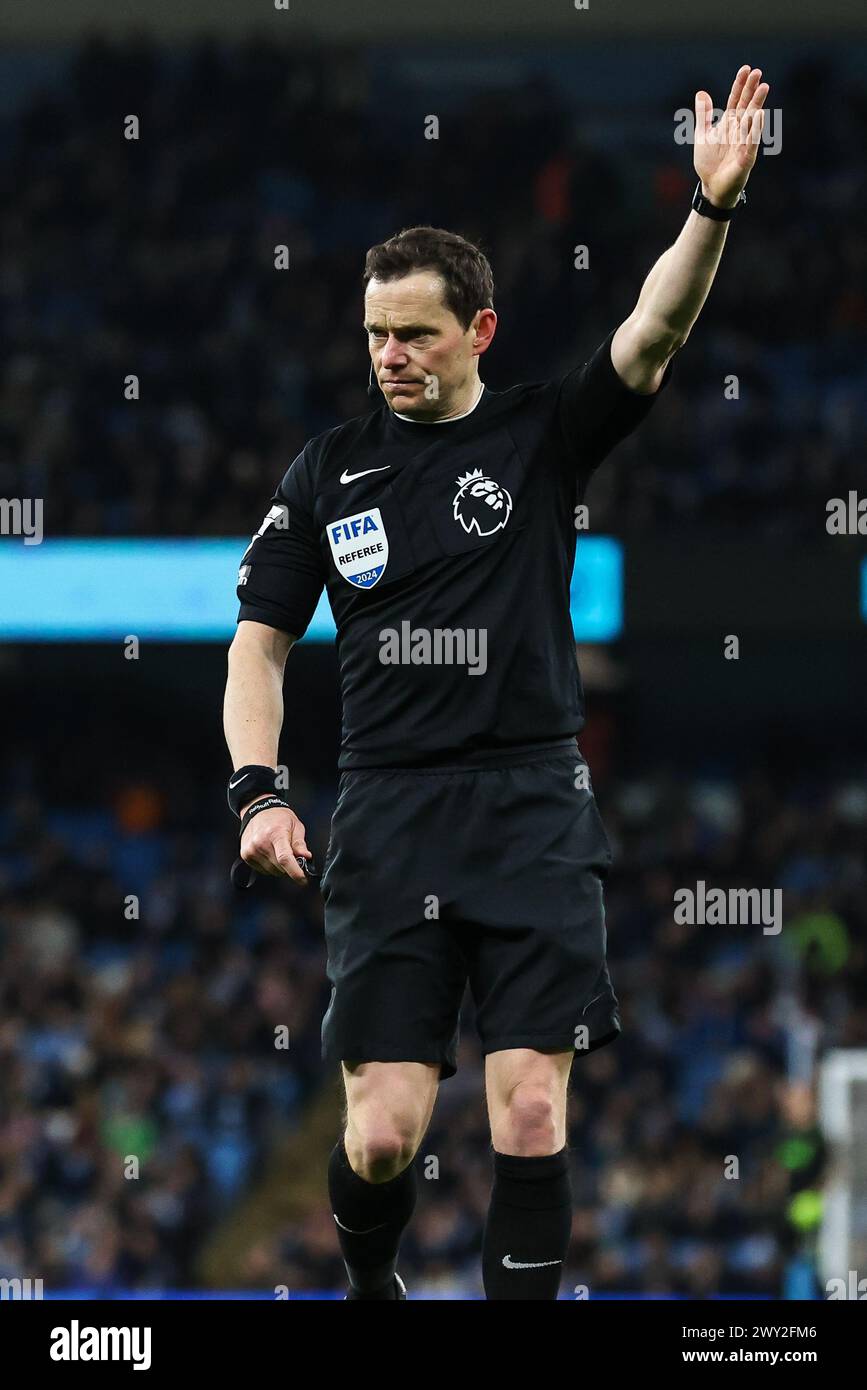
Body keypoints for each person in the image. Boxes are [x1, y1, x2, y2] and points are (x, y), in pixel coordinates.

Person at [223, 65, 769, 1300]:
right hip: (389, 810)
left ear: (478, 331)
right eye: (373, 334)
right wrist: (257, 790)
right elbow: (258, 647)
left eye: (414, 333)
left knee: (529, 1112)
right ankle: (374, 1290)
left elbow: (653, 332)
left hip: (528, 803)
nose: (390, 357)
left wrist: (712, 208)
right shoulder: (327, 471)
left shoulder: (540, 436)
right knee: (380, 1136)